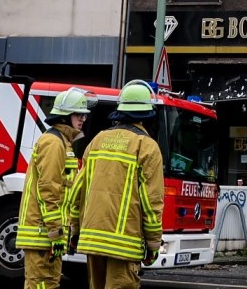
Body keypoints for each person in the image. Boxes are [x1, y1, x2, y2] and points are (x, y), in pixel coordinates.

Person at [70, 80, 165, 289]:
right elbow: (152, 201)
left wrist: (74, 229)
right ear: (148, 114)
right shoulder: (147, 146)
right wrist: (153, 243)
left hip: (92, 238)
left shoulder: (98, 140)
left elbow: (77, 190)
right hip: (125, 244)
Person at [17, 87, 91, 289]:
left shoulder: (62, 142)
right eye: (78, 114)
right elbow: (48, 190)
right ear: (65, 116)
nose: (82, 119)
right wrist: (56, 232)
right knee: (41, 284)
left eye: (84, 114)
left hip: (47, 233)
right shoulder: (53, 143)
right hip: (42, 233)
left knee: (48, 283)